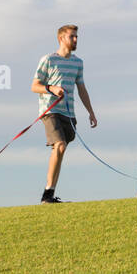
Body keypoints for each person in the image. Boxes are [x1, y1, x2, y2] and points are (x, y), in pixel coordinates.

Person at [31, 24, 97, 203]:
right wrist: (51, 88)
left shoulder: (78, 63)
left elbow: (82, 89)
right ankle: (47, 195)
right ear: (61, 38)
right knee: (59, 145)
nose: (75, 40)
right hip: (50, 110)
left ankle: (49, 193)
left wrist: (90, 112)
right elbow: (34, 86)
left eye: (76, 37)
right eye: (72, 37)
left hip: (69, 113)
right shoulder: (48, 59)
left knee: (61, 149)